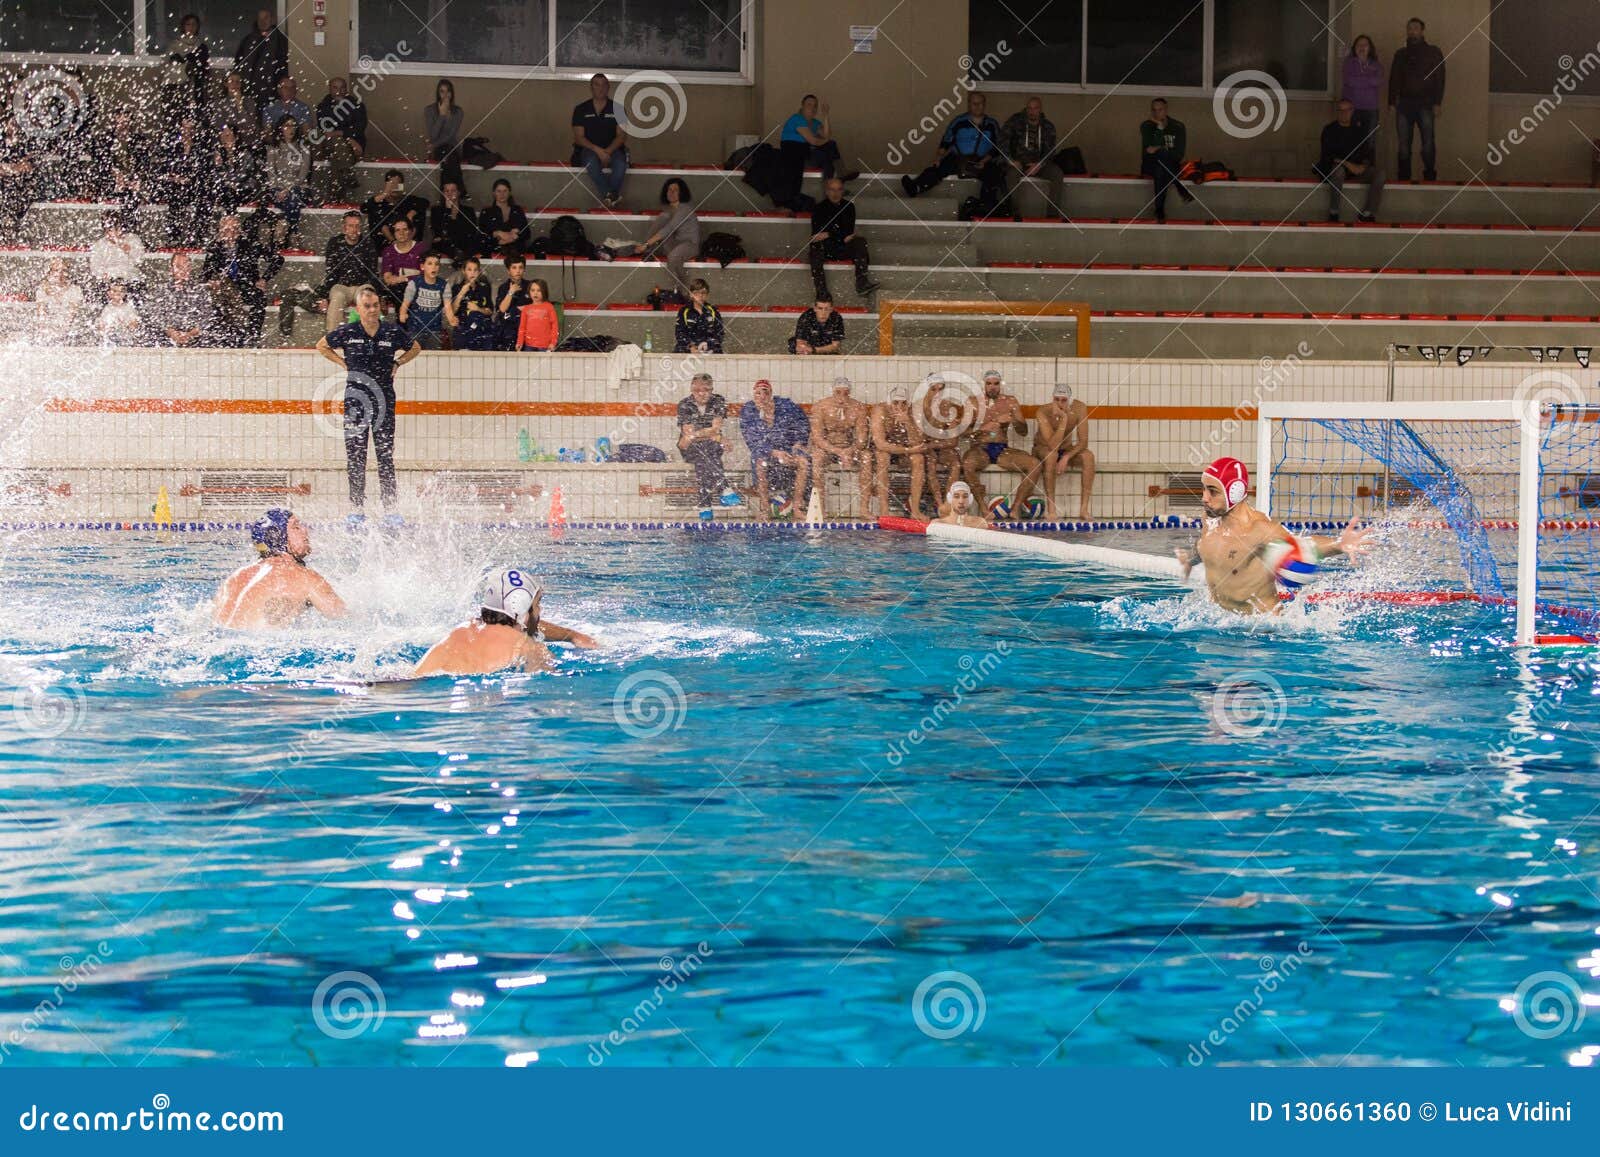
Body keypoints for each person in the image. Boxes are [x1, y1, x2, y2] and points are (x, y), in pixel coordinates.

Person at [1176, 457, 1371, 614]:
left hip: (1262, 633)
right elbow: (1207, 547)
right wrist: (1189, 561)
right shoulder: (1209, 519)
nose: (1204, 498)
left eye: (1212, 491)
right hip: (1220, 622)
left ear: (1234, 492)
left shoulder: (1258, 529)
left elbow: (1302, 545)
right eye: (1203, 489)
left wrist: (1338, 544)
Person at [316, 286, 422, 515]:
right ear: (357, 308)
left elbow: (415, 348)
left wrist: (397, 363)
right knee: (356, 457)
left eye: (375, 305)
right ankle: (356, 510)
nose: (372, 310)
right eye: (367, 306)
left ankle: (390, 509)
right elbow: (322, 346)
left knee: (385, 456)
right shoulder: (348, 332)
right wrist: (342, 363)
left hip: (384, 401)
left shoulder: (391, 332)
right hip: (356, 403)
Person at [413, 571, 596, 677]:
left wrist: (571, 635)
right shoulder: (530, 648)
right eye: (537, 604)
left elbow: (521, 625)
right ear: (521, 608)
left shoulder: (461, 630)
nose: (539, 611)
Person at [214, 510, 347, 629]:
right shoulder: (304, 577)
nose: (305, 530)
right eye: (296, 527)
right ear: (278, 538)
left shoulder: (234, 578)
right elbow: (344, 618)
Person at [900, 92, 1004, 212]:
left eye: (980, 103)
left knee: (993, 174)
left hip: (981, 161)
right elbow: (946, 141)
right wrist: (938, 158)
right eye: (974, 103)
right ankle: (916, 187)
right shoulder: (958, 122)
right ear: (969, 104)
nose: (977, 106)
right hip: (958, 159)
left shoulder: (992, 124)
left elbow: (997, 148)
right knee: (939, 169)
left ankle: (985, 207)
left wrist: (984, 161)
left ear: (984, 105)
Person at [960, 369, 1041, 516]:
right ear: (983, 384)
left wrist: (1014, 420)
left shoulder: (1010, 402)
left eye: (996, 383)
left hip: (1002, 450)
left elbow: (1023, 432)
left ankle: (1015, 508)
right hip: (980, 448)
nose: (992, 387)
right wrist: (982, 429)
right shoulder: (973, 402)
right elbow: (962, 434)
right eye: (989, 383)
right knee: (967, 464)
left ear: (1000, 384)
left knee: (1034, 464)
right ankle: (984, 508)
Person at [202, 212, 281, 346]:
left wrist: (264, 279)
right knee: (216, 300)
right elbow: (205, 273)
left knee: (259, 298)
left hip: (246, 286)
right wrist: (210, 281)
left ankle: (253, 336)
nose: (230, 233)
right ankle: (225, 336)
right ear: (220, 231)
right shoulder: (214, 248)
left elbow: (278, 259)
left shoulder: (250, 244)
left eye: (234, 229)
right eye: (226, 229)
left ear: (239, 231)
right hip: (224, 288)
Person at [740, 378, 811, 519]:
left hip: (789, 451)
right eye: (758, 393)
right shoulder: (749, 410)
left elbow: (803, 423)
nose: (762, 397)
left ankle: (797, 507)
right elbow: (752, 441)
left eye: (765, 393)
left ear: (771, 393)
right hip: (766, 453)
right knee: (760, 463)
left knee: (803, 461)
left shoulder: (785, 406)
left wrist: (798, 445)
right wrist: (774, 452)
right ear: (754, 396)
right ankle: (765, 509)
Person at [677, 373, 743, 520]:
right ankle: (724, 489)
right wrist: (715, 436)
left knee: (705, 455)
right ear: (692, 389)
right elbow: (688, 436)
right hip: (690, 448)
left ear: (711, 389)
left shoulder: (718, 401)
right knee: (707, 450)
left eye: (706, 389)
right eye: (698, 390)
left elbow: (714, 429)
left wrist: (708, 434)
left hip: (707, 447)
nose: (702, 393)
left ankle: (705, 505)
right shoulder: (684, 404)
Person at [809, 376, 874, 517]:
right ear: (833, 392)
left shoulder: (858, 408)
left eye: (845, 393)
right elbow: (818, 438)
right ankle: (821, 507)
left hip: (850, 448)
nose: (842, 397)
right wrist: (839, 452)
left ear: (849, 393)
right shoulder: (820, 407)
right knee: (817, 458)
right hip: (828, 448)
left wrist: (849, 451)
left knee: (867, 457)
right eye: (838, 393)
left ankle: (864, 509)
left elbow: (862, 439)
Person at [1389, 17, 1444, 182]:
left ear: (1422, 30)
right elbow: (1394, 78)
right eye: (1409, 28)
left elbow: (1440, 78)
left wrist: (1437, 102)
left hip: (1426, 104)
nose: (1412, 30)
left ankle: (1429, 177)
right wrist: (1391, 102)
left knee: (1427, 144)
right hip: (1404, 105)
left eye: (1415, 28)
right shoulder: (1400, 54)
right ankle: (1403, 179)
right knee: (1403, 146)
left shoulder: (1434, 52)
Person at [1032, 383, 1095, 521]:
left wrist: (1066, 457)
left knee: (1088, 456)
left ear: (1070, 400)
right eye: (1056, 399)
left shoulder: (1080, 408)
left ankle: (1084, 509)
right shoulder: (1042, 412)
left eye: (1064, 400)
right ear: (1052, 398)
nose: (1060, 404)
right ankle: (1052, 509)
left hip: (1065, 449)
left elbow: (1083, 441)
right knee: (1051, 455)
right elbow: (1052, 445)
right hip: (1043, 448)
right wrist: (1064, 419)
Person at [809, 178, 878, 299]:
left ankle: (862, 283)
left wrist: (829, 234)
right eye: (832, 190)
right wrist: (837, 235)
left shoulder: (849, 207)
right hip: (826, 248)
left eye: (839, 189)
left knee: (860, 242)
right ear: (826, 191)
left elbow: (848, 233)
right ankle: (821, 292)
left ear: (842, 191)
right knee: (814, 249)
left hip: (842, 247)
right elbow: (816, 236)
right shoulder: (818, 208)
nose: (835, 193)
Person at [1318, 99, 1384, 223]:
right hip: (1337, 169)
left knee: (1380, 174)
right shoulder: (1329, 130)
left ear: (1352, 111)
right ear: (1337, 112)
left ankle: (1368, 213)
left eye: (1347, 110)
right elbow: (1327, 156)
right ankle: (1334, 212)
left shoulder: (1359, 130)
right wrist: (1348, 164)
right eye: (1341, 110)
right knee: (1338, 171)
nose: (1344, 113)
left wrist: (1363, 166)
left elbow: (1367, 153)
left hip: (1355, 170)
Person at [873, 385, 932, 519]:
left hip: (905, 450)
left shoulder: (913, 412)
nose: (899, 407)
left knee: (918, 459)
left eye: (903, 403)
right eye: (895, 403)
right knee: (882, 457)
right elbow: (880, 444)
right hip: (888, 450)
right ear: (889, 402)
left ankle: (915, 510)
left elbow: (919, 442)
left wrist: (908, 423)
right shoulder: (880, 411)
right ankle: (884, 509)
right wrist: (908, 450)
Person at [318, 210, 382, 332]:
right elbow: (331, 271)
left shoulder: (368, 243)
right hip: (341, 286)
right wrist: (324, 296)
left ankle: (371, 336)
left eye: (357, 226)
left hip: (362, 286)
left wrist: (380, 294)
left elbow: (373, 272)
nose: (354, 229)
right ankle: (333, 337)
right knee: (337, 297)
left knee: (367, 296)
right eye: (350, 226)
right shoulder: (335, 243)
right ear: (344, 228)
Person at [1000, 96, 1064, 217]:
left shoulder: (1047, 126)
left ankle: (1052, 215)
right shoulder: (1015, 122)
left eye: (1035, 108)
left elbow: (1051, 150)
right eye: (1029, 108)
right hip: (1017, 163)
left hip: (1038, 164)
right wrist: (1010, 160)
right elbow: (1002, 141)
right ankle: (1015, 214)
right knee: (1011, 176)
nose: (1032, 111)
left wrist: (1039, 165)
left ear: (1040, 110)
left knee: (1057, 174)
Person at [571, 73, 628, 207]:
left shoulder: (619, 109)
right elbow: (579, 138)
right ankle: (611, 195)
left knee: (621, 163)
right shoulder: (580, 109)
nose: (600, 88)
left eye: (603, 85)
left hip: (613, 150)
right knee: (590, 161)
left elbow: (622, 136)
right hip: (589, 150)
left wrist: (607, 152)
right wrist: (598, 151)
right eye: (596, 85)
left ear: (608, 87)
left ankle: (609, 198)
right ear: (591, 87)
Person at [637, 178, 699, 298]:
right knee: (663, 217)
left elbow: (669, 228)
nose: (671, 192)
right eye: (669, 190)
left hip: (690, 244)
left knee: (673, 256)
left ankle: (684, 291)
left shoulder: (684, 208)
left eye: (675, 190)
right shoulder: (669, 210)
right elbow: (662, 229)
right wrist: (647, 244)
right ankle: (649, 250)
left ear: (682, 193)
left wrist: (647, 244)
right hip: (675, 242)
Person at [1140, 97, 1195, 223]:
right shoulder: (1146, 126)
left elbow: (1178, 155)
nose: (1156, 113)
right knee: (1161, 158)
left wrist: (1159, 148)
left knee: (1161, 168)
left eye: (1160, 110)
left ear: (1166, 110)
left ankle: (1159, 210)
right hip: (1150, 165)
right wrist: (1159, 128)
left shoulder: (1178, 126)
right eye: (1153, 110)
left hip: (1169, 166)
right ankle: (1180, 188)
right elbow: (1147, 153)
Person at [780, 94, 856, 183]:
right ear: (802, 106)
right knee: (828, 150)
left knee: (829, 153)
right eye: (809, 105)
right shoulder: (797, 118)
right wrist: (826, 140)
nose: (812, 108)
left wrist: (825, 115)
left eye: (815, 106)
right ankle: (840, 176)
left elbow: (826, 135)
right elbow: (814, 141)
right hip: (794, 158)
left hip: (807, 155)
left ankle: (833, 188)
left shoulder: (815, 123)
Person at [161, 115, 211, 248]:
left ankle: (198, 235)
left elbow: (203, 169)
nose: (187, 131)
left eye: (190, 128)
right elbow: (164, 168)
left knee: (204, 196)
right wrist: (175, 178)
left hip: (193, 185)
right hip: (175, 184)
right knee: (176, 195)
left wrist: (191, 179)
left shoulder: (200, 145)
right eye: (184, 127)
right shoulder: (171, 145)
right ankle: (174, 236)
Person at [263, 116, 311, 242]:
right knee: (291, 201)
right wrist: (280, 189)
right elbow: (271, 173)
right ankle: (293, 233)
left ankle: (283, 225)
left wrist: (288, 189)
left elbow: (302, 175)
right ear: (280, 128)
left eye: (293, 125)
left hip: (299, 187)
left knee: (293, 196)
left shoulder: (303, 147)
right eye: (287, 125)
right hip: (278, 189)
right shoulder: (273, 148)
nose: (291, 129)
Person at [233, 8, 289, 117]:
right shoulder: (248, 40)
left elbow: (283, 67)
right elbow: (239, 62)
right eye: (260, 19)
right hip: (248, 91)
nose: (262, 21)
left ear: (273, 20)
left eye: (266, 18)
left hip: (270, 91)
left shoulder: (281, 41)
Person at [151, 252, 214, 347]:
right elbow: (156, 315)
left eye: (186, 266)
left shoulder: (200, 290)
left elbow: (206, 316)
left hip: (195, 336)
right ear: (171, 269)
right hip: (167, 336)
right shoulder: (161, 290)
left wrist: (190, 334)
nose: (183, 270)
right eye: (179, 266)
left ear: (190, 269)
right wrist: (171, 332)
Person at [88, 213, 147, 303]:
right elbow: (95, 267)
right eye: (108, 230)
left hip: (129, 278)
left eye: (115, 228)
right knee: (98, 292)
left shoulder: (133, 239)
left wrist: (125, 248)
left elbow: (139, 260)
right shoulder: (99, 245)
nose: (111, 233)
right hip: (109, 280)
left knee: (138, 291)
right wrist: (104, 275)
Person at [364, 169, 428, 247]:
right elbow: (364, 208)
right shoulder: (379, 202)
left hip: (408, 242)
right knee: (374, 211)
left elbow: (425, 202)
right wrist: (385, 194)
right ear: (386, 185)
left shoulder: (409, 200)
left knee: (419, 211)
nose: (395, 186)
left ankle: (407, 244)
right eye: (392, 184)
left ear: (402, 185)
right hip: (384, 243)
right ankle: (395, 243)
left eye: (398, 184)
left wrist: (411, 214)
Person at [160, 13, 209, 116]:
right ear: (183, 26)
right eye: (188, 24)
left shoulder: (201, 47)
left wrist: (188, 59)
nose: (191, 27)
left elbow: (202, 66)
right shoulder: (175, 45)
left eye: (194, 24)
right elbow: (168, 62)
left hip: (194, 87)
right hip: (174, 86)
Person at [210, 122, 262, 215]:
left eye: (228, 135)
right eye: (222, 136)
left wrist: (236, 184)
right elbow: (216, 176)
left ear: (236, 137)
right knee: (225, 193)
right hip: (225, 189)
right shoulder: (218, 155)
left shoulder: (245, 154)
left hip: (243, 188)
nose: (224, 138)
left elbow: (249, 175)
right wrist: (227, 181)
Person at [445, 256, 496, 350]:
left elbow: (490, 311)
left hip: (482, 328)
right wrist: (461, 293)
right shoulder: (456, 288)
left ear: (479, 272)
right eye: (469, 269)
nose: (472, 273)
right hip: (464, 328)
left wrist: (478, 309)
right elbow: (452, 311)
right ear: (464, 271)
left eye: (475, 270)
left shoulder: (484, 288)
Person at [400, 252, 449, 350]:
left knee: (434, 360)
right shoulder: (414, 283)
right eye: (430, 264)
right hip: (415, 329)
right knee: (413, 358)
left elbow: (448, 306)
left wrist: (451, 318)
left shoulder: (444, 284)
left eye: (437, 264)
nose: (434, 267)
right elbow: (405, 303)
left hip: (434, 330)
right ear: (422, 267)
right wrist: (402, 313)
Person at [0, 119, 37, 242]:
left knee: (21, 190)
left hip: (20, 185)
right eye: (9, 123)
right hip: (4, 184)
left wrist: (8, 168)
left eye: (15, 124)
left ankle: (15, 228)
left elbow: (27, 167)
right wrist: (16, 167)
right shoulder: (1, 143)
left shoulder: (26, 144)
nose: (12, 127)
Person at [380, 218, 429, 310]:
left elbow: (426, 274)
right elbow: (387, 278)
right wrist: (414, 273)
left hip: (419, 287)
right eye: (397, 230)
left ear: (411, 231)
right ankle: (402, 321)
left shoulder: (421, 248)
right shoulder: (388, 251)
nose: (401, 233)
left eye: (405, 229)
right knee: (399, 289)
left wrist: (403, 276)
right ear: (393, 233)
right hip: (398, 289)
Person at [1342, 34, 1383, 142]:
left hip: (1371, 110)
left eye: (1365, 45)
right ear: (1354, 48)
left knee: (1370, 143)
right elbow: (1350, 81)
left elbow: (1377, 81)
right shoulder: (1348, 63)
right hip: (1351, 109)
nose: (1362, 47)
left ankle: (1368, 159)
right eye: (1359, 45)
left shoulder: (1376, 65)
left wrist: (1359, 80)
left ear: (1370, 48)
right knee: (1351, 142)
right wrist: (1368, 80)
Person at [34, 258, 85, 345]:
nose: (60, 274)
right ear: (49, 273)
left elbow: (72, 315)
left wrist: (62, 331)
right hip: (48, 330)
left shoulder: (75, 290)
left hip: (71, 331)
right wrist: (47, 330)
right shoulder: (42, 290)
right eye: (56, 270)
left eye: (63, 270)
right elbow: (41, 314)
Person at [425, 79, 464, 188]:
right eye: (442, 91)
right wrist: (441, 115)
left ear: (452, 93)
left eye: (448, 91)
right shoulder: (430, 110)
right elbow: (433, 135)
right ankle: (460, 188)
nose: (445, 95)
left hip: (453, 148)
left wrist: (433, 144)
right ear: (438, 93)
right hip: (438, 150)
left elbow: (451, 135)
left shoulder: (458, 111)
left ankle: (445, 194)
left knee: (448, 155)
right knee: (447, 156)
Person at [316, 76, 368, 155]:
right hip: (332, 141)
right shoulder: (323, 106)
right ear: (330, 89)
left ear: (346, 89)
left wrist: (341, 133)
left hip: (354, 140)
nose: (339, 91)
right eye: (335, 88)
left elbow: (359, 129)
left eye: (342, 88)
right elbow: (324, 129)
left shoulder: (357, 105)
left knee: (341, 147)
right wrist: (342, 135)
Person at [430, 180, 479, 262]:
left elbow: (471, 231)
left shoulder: (468, 211)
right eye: (446, 191)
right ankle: (459, 258)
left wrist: (451, 232)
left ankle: (460, 258)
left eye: (453, 190)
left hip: (463, 242)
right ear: (443, 193)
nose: (449, 193)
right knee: (441, 243)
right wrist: (448, 210)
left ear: (458, 192)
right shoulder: (436, 211)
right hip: (445, 245)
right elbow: (440, 231)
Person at [477, 178, 528, 256]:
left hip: (516, 247)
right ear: (494, 193)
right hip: (493, 247)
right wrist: (497, 234)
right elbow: (482, 233)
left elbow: (527, 233)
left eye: (505, 191)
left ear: (509, 192)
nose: (502, 194)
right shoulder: (487, 212)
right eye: (499, 191)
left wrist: (515, 237)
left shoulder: (517, 210)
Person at [493, 255, 534, 351]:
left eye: (520, 267)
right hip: (508, 328)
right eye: (514, 268)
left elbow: (539, 306)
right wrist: (510, 292)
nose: (518, 271)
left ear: (524, 270)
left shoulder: (530, 286)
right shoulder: (503, 287)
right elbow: (502, 309)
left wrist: (523, 309)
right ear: (508, 270)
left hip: (527, 326)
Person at [210, 71, 260, 150]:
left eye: (237, 82)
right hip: (226, 143)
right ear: (226, 84)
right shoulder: (219, 104)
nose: (235, 84)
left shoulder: (250, 102)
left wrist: (239, 105)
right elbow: (219, 125)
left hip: (247, 144)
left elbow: (250, 125)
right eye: (231, 81)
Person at [674, 278, 724, 354]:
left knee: (717, 351)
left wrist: (708, 344)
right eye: (696, 293)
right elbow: (680, 334)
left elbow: (720, 333)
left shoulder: (713, 310)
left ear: (707, 295)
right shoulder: (684, 311)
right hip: (687, 351)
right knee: (679, 350)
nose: (700, 295)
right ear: (691, 294)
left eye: (703, 293)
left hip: (710, 350)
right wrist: (690, 347)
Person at [515, 277, 559, 352]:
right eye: (532, 290)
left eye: (539, 290)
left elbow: (554, 326)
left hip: (545, 346)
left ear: (544, 292)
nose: (535, 293)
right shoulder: (526, 309)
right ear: (529, 292)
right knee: (529, 363)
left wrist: (553, 342)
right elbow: (522, 328)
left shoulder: (549, 307)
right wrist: (519, 342)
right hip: (529, 345)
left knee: (544, 364)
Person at [95, 280, 141, 346]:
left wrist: (125, 323)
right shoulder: (106, 309)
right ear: (109, 293)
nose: (118, 293)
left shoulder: (129, 308)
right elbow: (101, 327)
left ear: (125, 293)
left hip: (126, 339)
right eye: (114, 291)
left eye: (121, 291)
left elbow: (134, 325)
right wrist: (110, 327)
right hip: (110, 338)